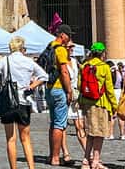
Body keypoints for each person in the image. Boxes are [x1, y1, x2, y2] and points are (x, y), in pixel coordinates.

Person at [0, 35, 49, 169]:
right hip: (24, 101)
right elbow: (44, 76)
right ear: (22, 48)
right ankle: (31, 167)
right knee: (25, 138)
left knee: (11, 139)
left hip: (8, 102)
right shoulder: (28, 61)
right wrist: (32, 86)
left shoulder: (5, 60)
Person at [79, 41, 117, 169]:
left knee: (90, 132)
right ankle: (95, 161)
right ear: (103, 53)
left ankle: (85, 160)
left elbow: (79, 85)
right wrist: (115, 105)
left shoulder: (84, 66)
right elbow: (109, 89)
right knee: (99, 133)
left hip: (87, 103)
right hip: (101, 103)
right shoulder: (104, 67)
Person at [46, 24, 76, 166]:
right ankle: (56, 158)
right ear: (63, 35)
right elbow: (64, 71)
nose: (69, 39)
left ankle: (51, 154)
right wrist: (69, 90)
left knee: (53, 123)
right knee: (59, 125)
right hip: (59, 89)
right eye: (69, 36)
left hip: (49, 89)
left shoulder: (49, 47)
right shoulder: (61, 50)